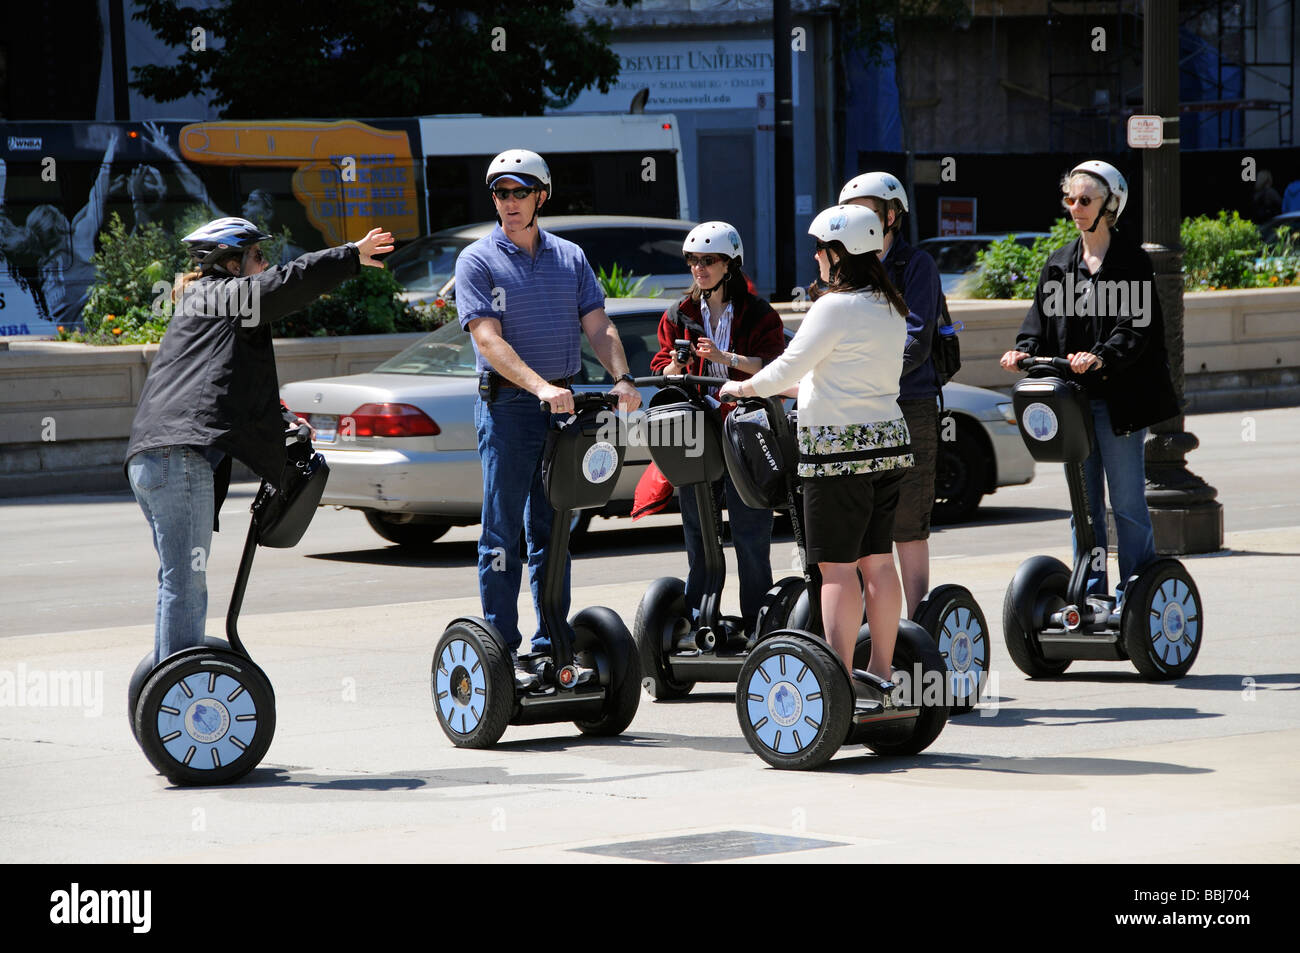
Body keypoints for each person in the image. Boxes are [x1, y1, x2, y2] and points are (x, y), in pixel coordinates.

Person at [125, 217, 394, 665]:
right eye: (258, 256)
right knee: (184, 580)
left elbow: (220, 386)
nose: (267, 265)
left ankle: (169, 678)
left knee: (176, 577)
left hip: (152, 459)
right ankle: (178, 691)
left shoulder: (202, 306)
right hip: (177, 459)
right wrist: (348, 256)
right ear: (231, 263)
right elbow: (284, 285)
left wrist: (281, 419)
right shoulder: (224, 296)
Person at [454, 149, 642, 687]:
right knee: (501, 534)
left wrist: (621, 378)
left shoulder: (569, 257)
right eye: (499, 193)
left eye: (519, 192)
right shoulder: (479, 260)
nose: (508, 203)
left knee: (554, 530)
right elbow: (487, 338)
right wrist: (539, 387)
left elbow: (598, 324)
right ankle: (502, 651)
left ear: (541, 196)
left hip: (563, 410)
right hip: (511, 408)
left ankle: (551, 645)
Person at [720, 205, 913, 697]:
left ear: (838, 254)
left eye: (821, 251)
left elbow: (787, 369)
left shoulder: (834, 305)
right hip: (888, 447)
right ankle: (885, 673)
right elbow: (828, 372)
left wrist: (740, 390)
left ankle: (841, 679)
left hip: (836, 456)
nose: (816, 258)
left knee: (836, 568)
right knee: (878, 562)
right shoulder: (891, 304)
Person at [1000, 160, 1178, 607]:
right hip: (1071, 404)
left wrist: (1100, 357)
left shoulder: (1131, 262)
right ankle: (1092, 593)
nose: (1075, 208)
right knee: (1084, 509)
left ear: (1110, 206)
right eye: (1070, 199)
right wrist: (1022, 349)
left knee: (1127, 504)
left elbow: (1135, 330)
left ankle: (1137, 596)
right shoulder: (1059, 264)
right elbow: (1037, 323)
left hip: (1119, 404)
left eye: (1085, 200)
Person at [648, 221, 786, 629]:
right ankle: (699, 624)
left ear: (731, 264)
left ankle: (760, 624)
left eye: (708, 260)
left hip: (745, 433)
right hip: (697, 435)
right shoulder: (680, 314)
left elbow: (774, 366)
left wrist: (726, 359)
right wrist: (679, 363)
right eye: (692, 260)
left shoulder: (758, 313)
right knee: (700, 535)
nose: (699, 268)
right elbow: (661, 370)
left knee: (749, 536)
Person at [839, 171, 943, 617]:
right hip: (859, 409)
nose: (857, 221)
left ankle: (920, 626)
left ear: (892, 215)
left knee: (908, 521)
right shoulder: (844, 269)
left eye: (867, 212)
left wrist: (867, 371)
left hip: (909, 404)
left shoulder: (916, 266)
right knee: (864, 523)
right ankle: (870, 627)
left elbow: (917, 339)